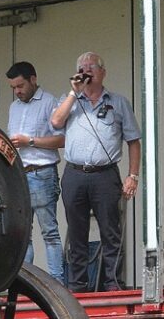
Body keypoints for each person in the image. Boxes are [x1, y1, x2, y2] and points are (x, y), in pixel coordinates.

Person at [49, 52, 143, 293]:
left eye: (91, 67)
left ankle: (113, 282)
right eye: (82, 67)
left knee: (111, 231)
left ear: (103, 72)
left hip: (105, 174)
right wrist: (74, 92)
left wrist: (132, 176)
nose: (86, 71)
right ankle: (78, 285)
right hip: (75, 173)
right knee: (76, 231)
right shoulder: (70, 100)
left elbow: (133, 141)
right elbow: (56, 122)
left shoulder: (118, 102)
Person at [6, 61, 65, 283]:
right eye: (13, 87)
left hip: (42, 172)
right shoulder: (14, 107)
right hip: (19, 174)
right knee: (23, 236)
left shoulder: (49, 101)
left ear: (33, 79)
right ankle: (25, 285)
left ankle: (57, 283)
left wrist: (29, 141)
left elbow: (61, 140)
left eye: (20, 85)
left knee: (49, 232)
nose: (17, 91)